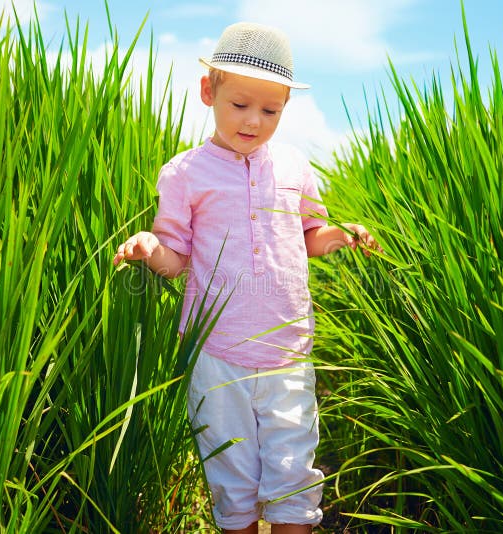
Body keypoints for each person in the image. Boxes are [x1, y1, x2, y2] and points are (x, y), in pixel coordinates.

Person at [113, 21, 379, 534]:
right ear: (209, 91)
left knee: (293, 476)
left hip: (286, 347)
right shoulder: (184, 173)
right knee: (230, 477)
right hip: (216, 354)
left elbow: (309, 237)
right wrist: (151, 248)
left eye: (270, 110)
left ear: (284, 107)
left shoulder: (295, 168)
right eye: (240, 105)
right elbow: (177, 260)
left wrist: (341, 235)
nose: (254, 121)